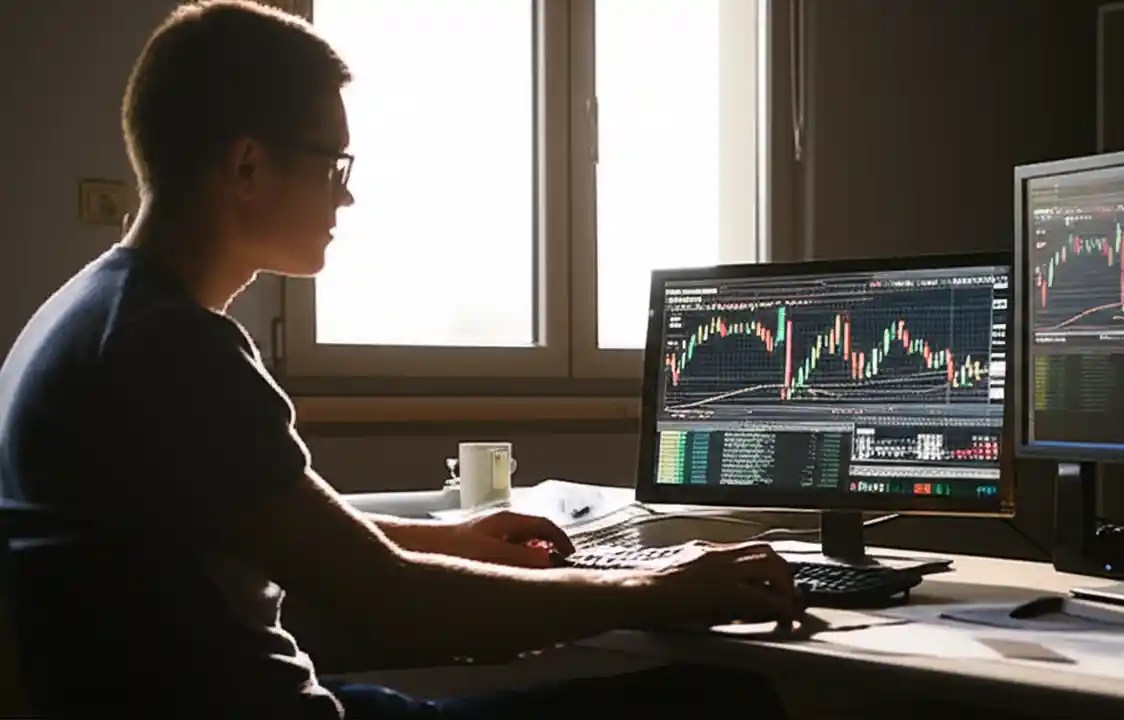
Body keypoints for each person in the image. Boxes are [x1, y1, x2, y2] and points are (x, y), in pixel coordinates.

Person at [0, 2, 799, 719]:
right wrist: (658, 587)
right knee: (721, 701)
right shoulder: (171, 345)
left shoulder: (83, 315)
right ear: (246, 166)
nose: (344, 196)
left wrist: (459, 539)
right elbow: (396, 601)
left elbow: (293, 532)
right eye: (332, 164)